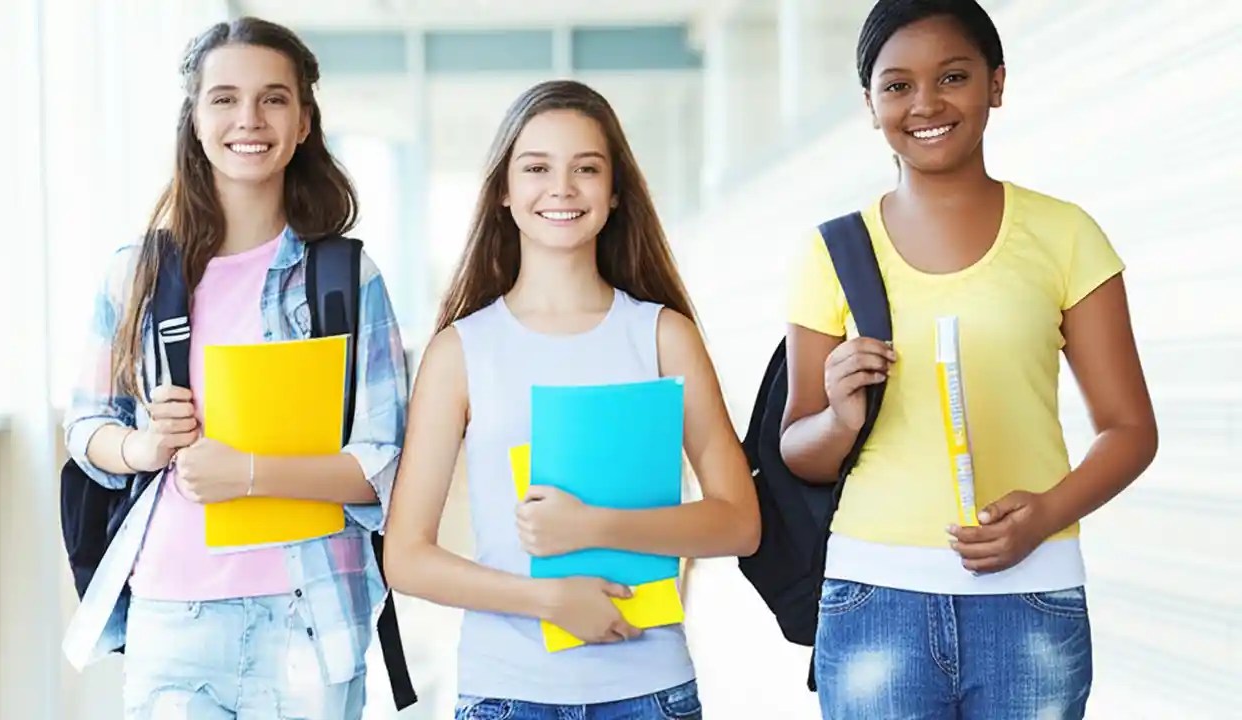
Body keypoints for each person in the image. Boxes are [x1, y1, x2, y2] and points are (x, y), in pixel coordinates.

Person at [780, 1, 1158, 717]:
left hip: (1031, 595)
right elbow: (799, 452)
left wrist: (1046, 513)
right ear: (870, 104)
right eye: (897, 86)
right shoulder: (832, 252)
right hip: (873, 596)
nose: (926, 103)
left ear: (997, 83)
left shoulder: (1065, 234)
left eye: (952, 76)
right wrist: (837, 416)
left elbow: (1130, 429)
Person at [61, 17, 407, 719]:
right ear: (194, 119)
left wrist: (247, 474)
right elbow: (87, 425)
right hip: (173, 619)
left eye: (273, 98)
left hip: (310, 620)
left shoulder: (344, 277)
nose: (248, 118)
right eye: (223, 98)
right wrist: (143, 447)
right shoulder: (138, 274)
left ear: (304, 121)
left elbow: (384, 463)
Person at [382, 79, 760, 719]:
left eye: (586, 168)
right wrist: (549, 599)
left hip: (650, 693)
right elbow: (407, 559)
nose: (562, 187)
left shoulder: (663, 336)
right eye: (536, 168)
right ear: (504, 191)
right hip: (507, 694)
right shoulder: (460, 352)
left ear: (615, 194)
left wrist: (592, 526)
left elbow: (739, 523)